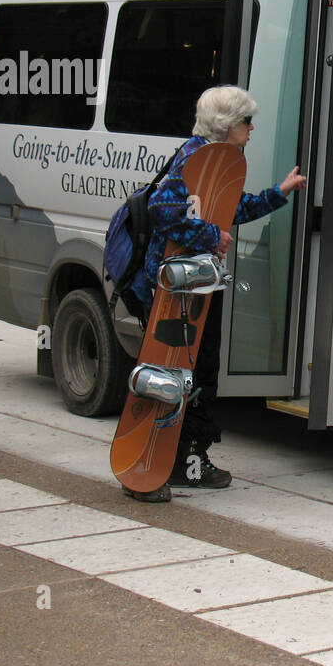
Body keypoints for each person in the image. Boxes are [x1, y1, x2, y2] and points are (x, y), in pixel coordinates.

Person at [125, 85, 306, 503]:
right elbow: (162, 210)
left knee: (200, 374)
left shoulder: (220, 159)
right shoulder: (194, 156)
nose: (251, 128)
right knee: (170, 374)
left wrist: (279, 192)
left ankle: (187, 461)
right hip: (174, 292)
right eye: (246, 121)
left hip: (199, 285)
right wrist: (210, 235)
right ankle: (144, 464)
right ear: (226, 124)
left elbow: (231, 210)